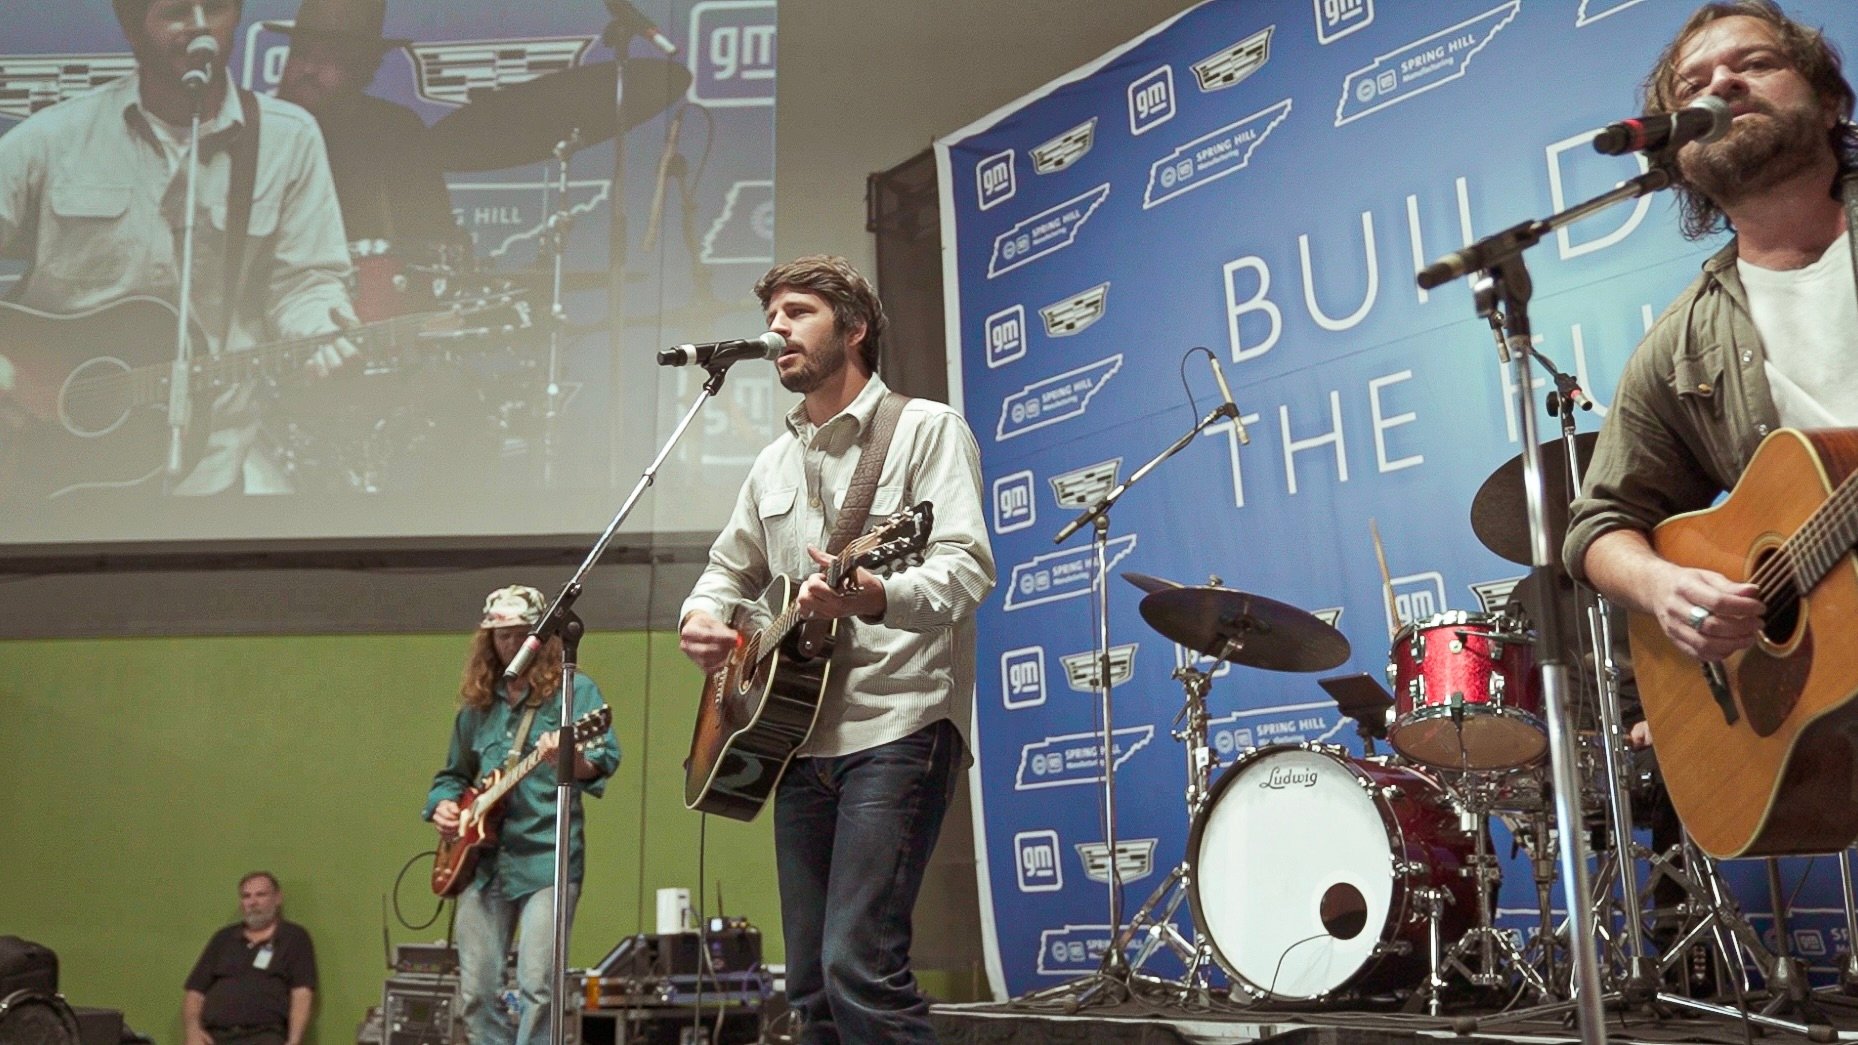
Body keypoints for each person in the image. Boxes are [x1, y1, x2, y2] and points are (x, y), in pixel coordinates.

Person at [678, 255, 996, 1043]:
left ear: (853, 328)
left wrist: (877, 593)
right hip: (796, 740)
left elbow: (965, 563)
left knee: (860, 966)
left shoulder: (926, 430)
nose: (775, 329)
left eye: (797, 312)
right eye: (773, 315)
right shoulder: (772, 463)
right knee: (813, 987)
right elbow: (728, 569)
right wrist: (705, 616)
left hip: (896, 726)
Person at [1566, 0, 1856, 689]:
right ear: (1680, 154)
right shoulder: (1681, 344)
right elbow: (1600, 524)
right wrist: (1667, 588)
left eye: (1755, 63)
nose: (1720, 85)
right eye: (1692, 88)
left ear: (1829, 104)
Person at [0, 0, 357, 496]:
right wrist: (9, 372)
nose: (198, 27)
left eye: (215, 7)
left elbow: (307, 280)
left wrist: (320, 327)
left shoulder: (287, 138)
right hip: (51, 453)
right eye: (174, 12)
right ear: (132, 27)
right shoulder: (55, 138)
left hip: (209, 461)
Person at [424, 584, 620, 1045]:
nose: (510, 643)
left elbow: (601, 760)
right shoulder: (478, 706)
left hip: (545, 860)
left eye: (518, 634)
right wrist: (445, 806)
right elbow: (452, 775)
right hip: (481, 867)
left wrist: (566, 755)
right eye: (500, 635)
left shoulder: (575, 691)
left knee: (539, 987)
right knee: (474, 992)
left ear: (541, 636)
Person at [267, 0, 463, 257]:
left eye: (329, 58)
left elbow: (430, 247)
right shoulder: (259, 128)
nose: (308, 69)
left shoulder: (398, 132)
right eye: (301, 53)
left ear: (365, 67)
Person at [182, 872, 317, 1045]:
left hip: (264, 1035)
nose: (252, 902)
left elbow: (302, 993)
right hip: (214, 1036)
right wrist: (193, 1032)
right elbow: (195, 992)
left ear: (277, 898)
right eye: (246, 896)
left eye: (261, 895)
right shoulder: (223, 938)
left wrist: (294, 1041)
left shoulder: (293, 937)